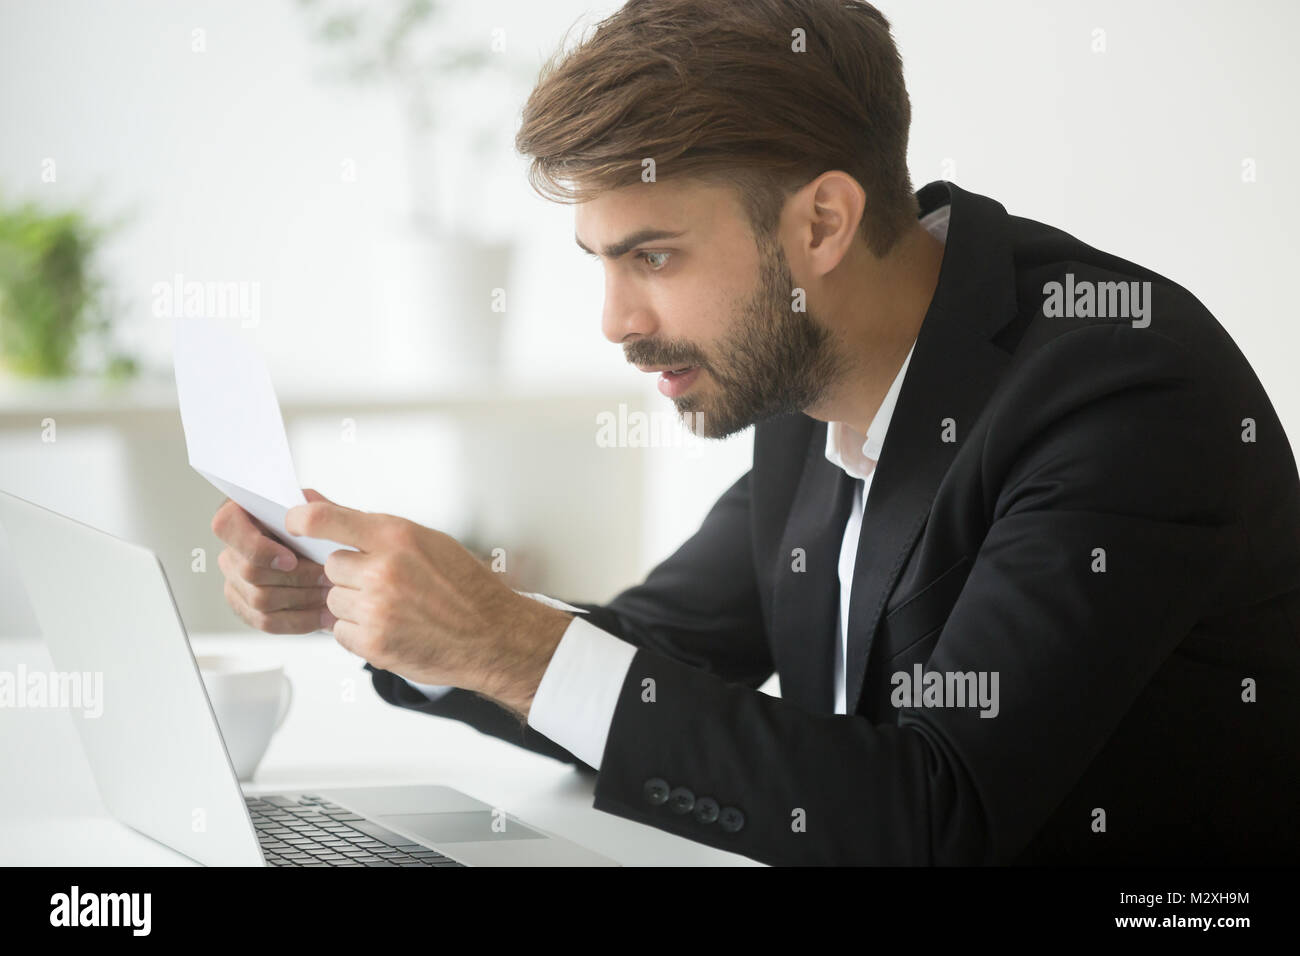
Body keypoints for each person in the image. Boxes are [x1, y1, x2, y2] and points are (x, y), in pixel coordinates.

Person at [211, 0, 1300, 864]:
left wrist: (504, 638)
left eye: (653, 256)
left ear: (820, 221)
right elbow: (659, 656)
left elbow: (937, 814)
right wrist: (402, 614)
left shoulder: (1118, 391)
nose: (617, 324)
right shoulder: (810, 364)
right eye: (599, 261)